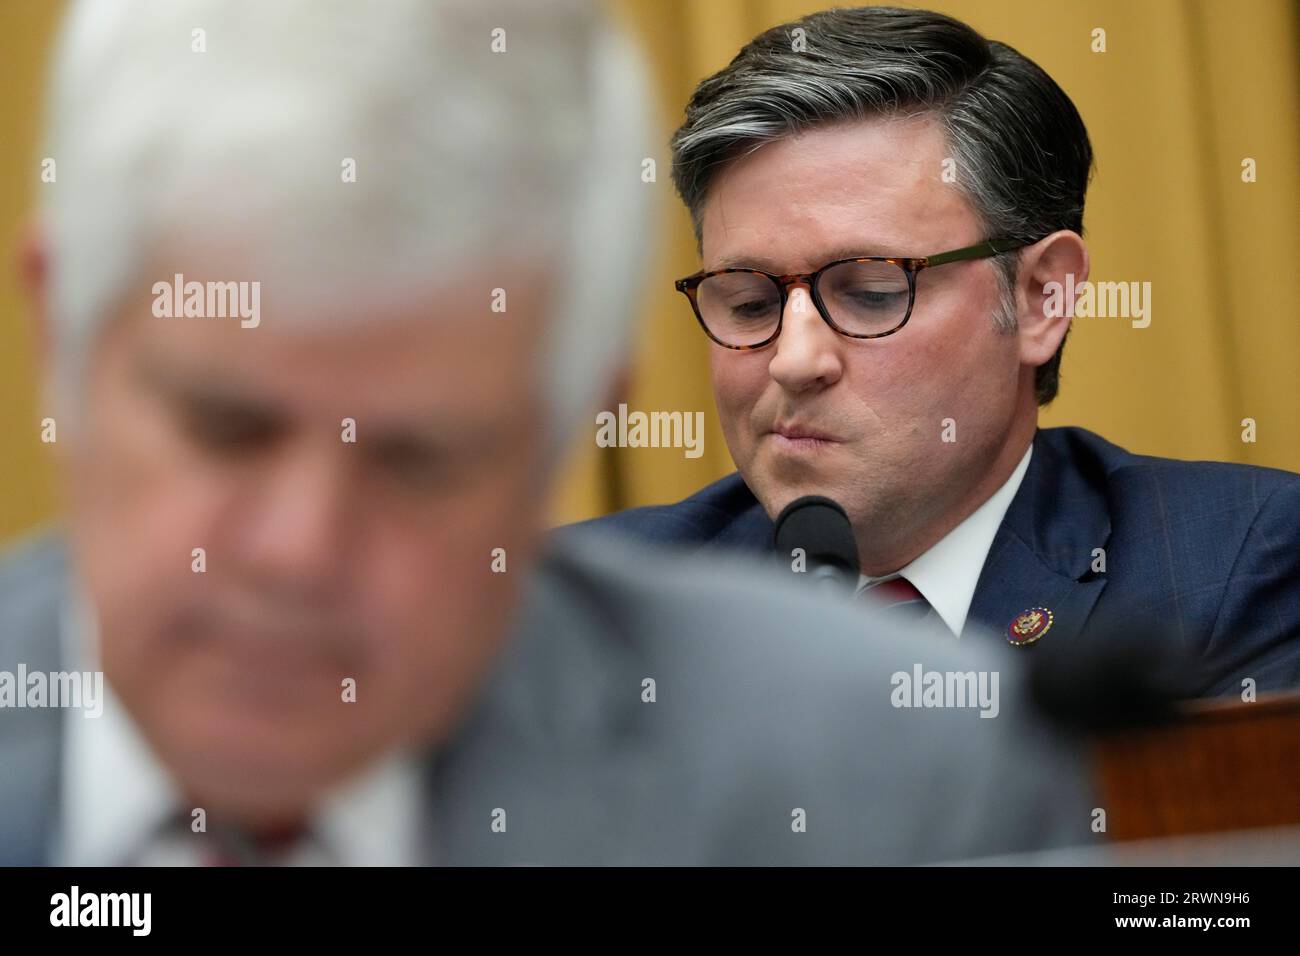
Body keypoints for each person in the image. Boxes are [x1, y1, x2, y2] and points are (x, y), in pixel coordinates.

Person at [0, 0, 1092, 866]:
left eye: (418, 458)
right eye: (226, 426)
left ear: (569, 422)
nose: (299, 550)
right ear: (60, 332)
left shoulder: (889, 787)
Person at [577, 5, 1300, 698]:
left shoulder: (1234, 569)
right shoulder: (581, 611)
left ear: (1042, 296)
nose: (793, 361)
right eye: (749, 303)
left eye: (870, 291)